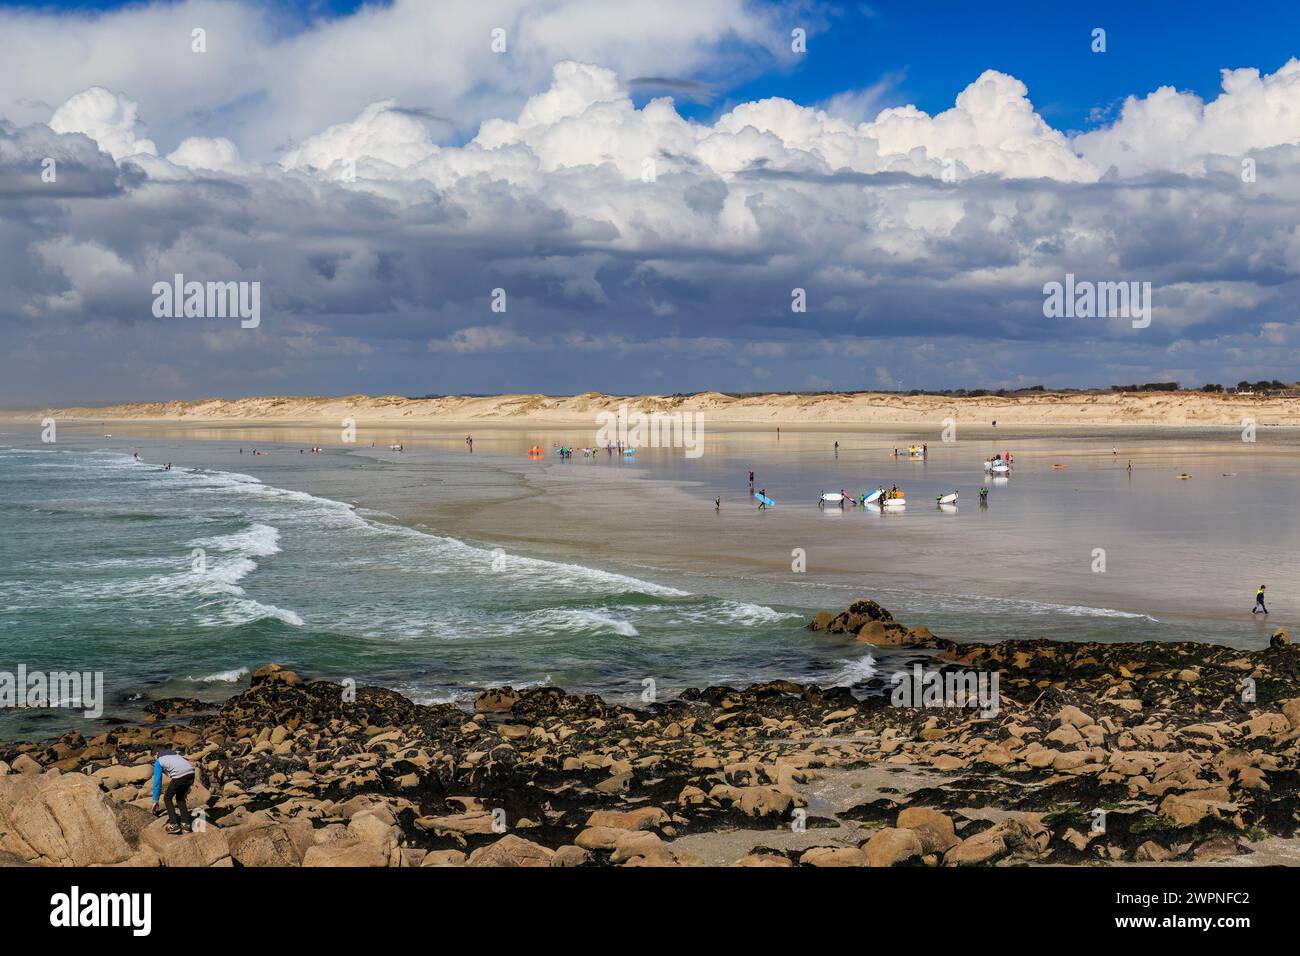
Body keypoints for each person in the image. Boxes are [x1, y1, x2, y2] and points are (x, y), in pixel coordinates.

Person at [152, 746, 197, 834]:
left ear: (156, 754)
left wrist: (155, 800)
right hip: (191, 774)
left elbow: (157, 781)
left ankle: (174, 824)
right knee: (180, 798)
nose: (155, 760)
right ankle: (185, 824)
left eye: (154, 758)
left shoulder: (159, 761)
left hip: (180, 776)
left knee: (167, 797)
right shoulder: (176, 755)